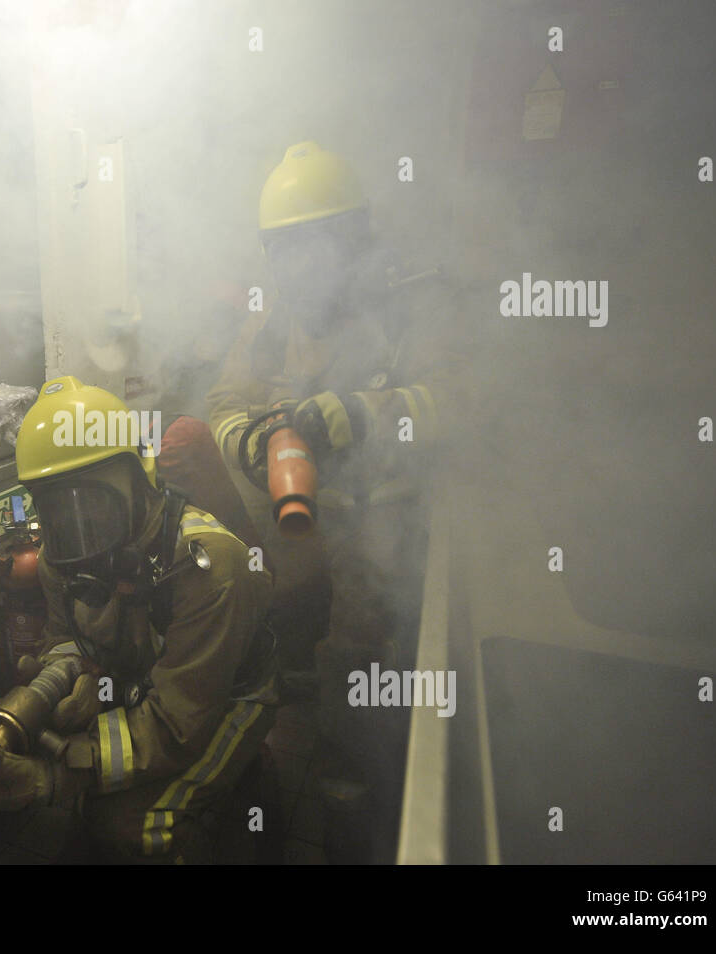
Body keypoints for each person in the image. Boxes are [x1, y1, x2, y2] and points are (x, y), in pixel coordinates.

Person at [206, 141, 468, 860]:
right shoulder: (278, 319)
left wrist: (359, 411)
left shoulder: (417, 307)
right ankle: (340, 824)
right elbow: (224, 402)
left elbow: (463, 404)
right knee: (332, 712)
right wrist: (256, 440)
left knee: (376, 714)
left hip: (396, 560)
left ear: (355, 239)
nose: (299, 268)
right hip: (312, 550)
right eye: (283, 251)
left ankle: (377, 828)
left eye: (313, 246)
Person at [0, 375, 279, 863]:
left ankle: (233, 792)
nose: (77, 533)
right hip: (148, 682)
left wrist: (54, 776)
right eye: (57, 509)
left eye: (90, 503)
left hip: (227, 697)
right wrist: (58, 686)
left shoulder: (207, 565)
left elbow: (177, 725)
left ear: (136, 477)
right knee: (94, 801)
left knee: (130, 827)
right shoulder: (57, 558)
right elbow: (65, 640)